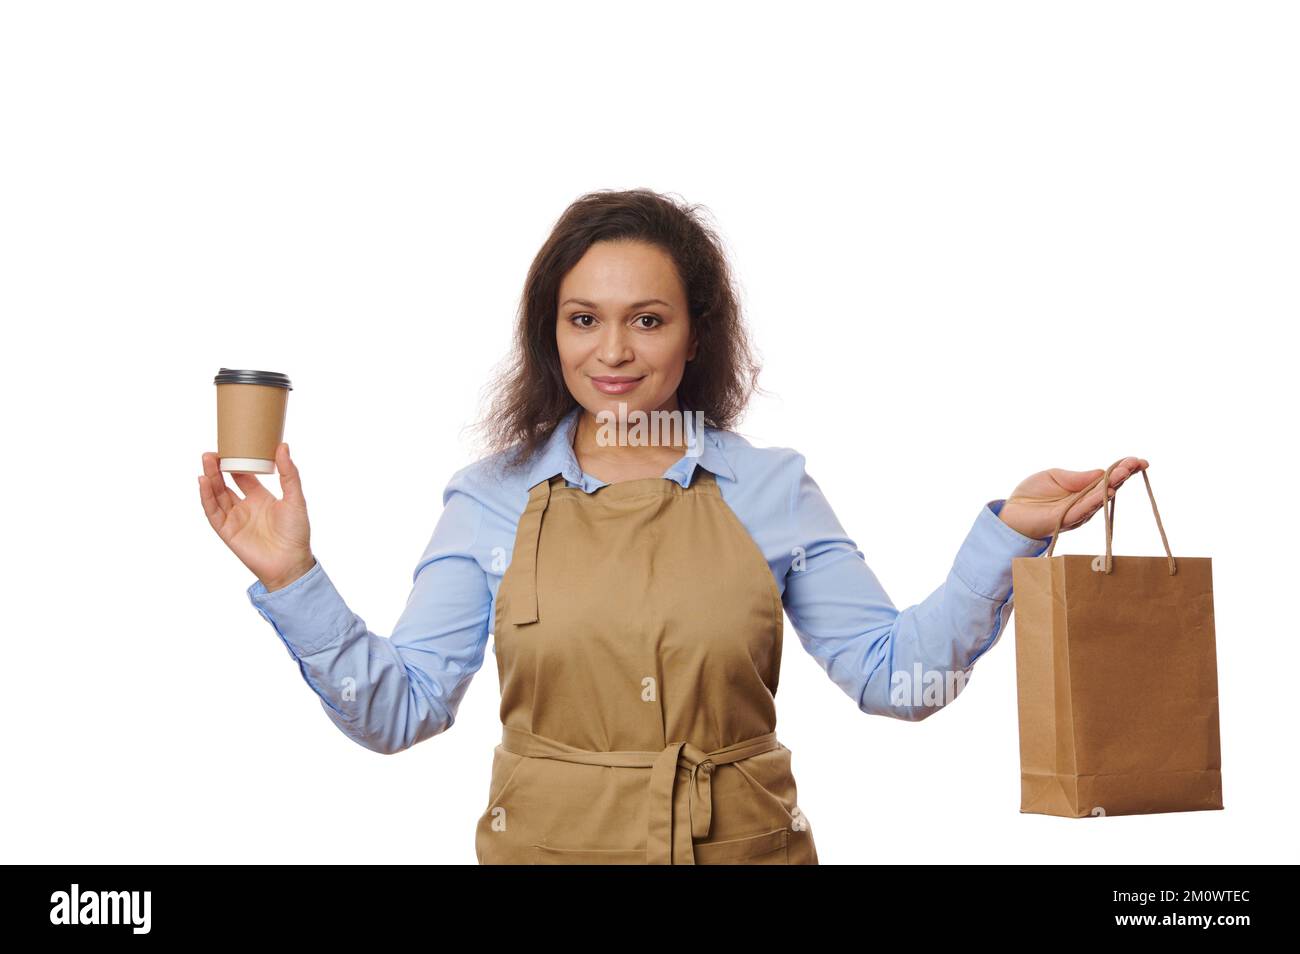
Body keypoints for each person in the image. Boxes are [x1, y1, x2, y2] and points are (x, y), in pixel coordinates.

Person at [198, 188, 1147, 864]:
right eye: (583, 319)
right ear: (550, 334)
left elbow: (898, 680)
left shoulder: (768, 487)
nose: (612, 352)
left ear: (697, 331)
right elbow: (397, 709)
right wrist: (293, 578)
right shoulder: (489, 497)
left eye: (647, 321)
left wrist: (1011, 536)